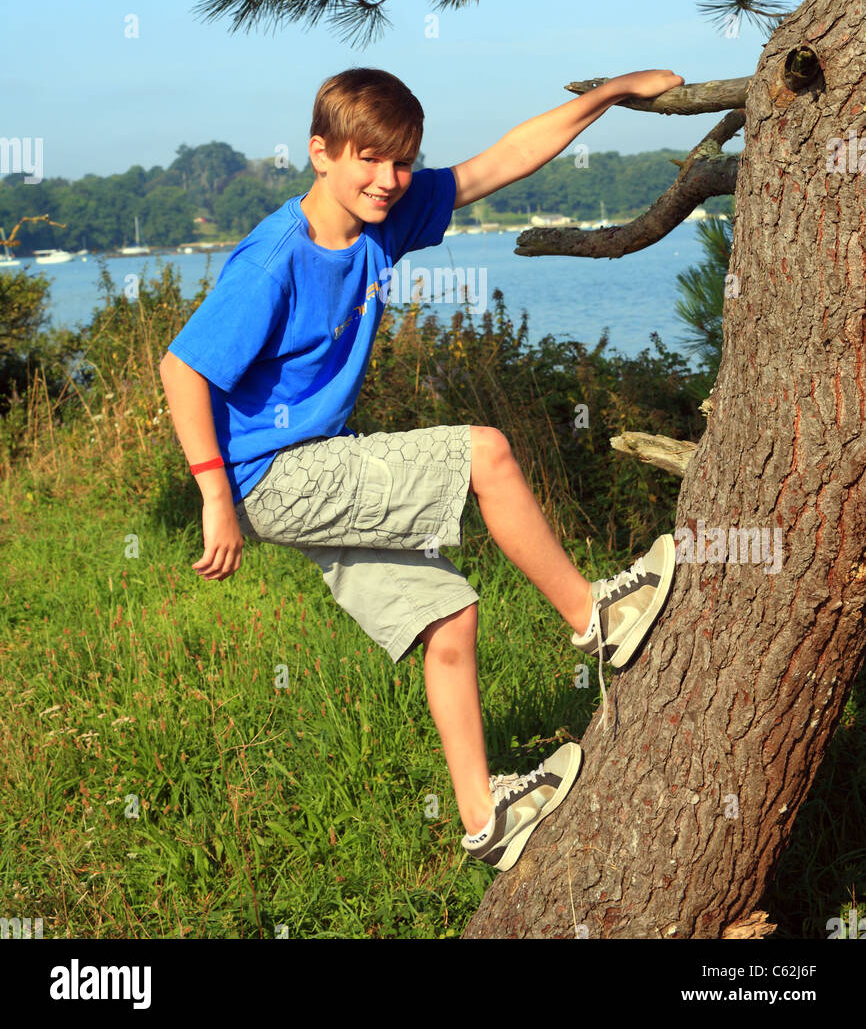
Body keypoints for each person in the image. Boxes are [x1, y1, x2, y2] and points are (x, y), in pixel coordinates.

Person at [159, 65, 682, 872]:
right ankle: (597, 619)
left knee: (447, 618)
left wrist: (605, 97)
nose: (388, 179)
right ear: (320, 154)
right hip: (274, 476)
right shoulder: (276, 259)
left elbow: (498, 162)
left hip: (309, 473)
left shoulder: (386, 219)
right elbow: (182, 369)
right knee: (488, 453)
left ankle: (485, 818)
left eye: (401, 161)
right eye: (368, 159)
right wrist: (213, 498)